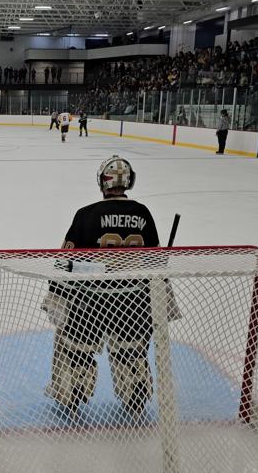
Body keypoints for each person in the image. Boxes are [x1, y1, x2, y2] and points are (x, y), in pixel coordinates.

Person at [43, 155, 160, 414]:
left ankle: (73, 392)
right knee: (132, 351)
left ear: (102, 183)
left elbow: (66, 261)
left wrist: (56, 297)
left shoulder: (86, 214)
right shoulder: (143, 214)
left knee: (75, 349)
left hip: (90, 300)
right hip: (134, 300)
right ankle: (135, 392)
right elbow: (156, 262)